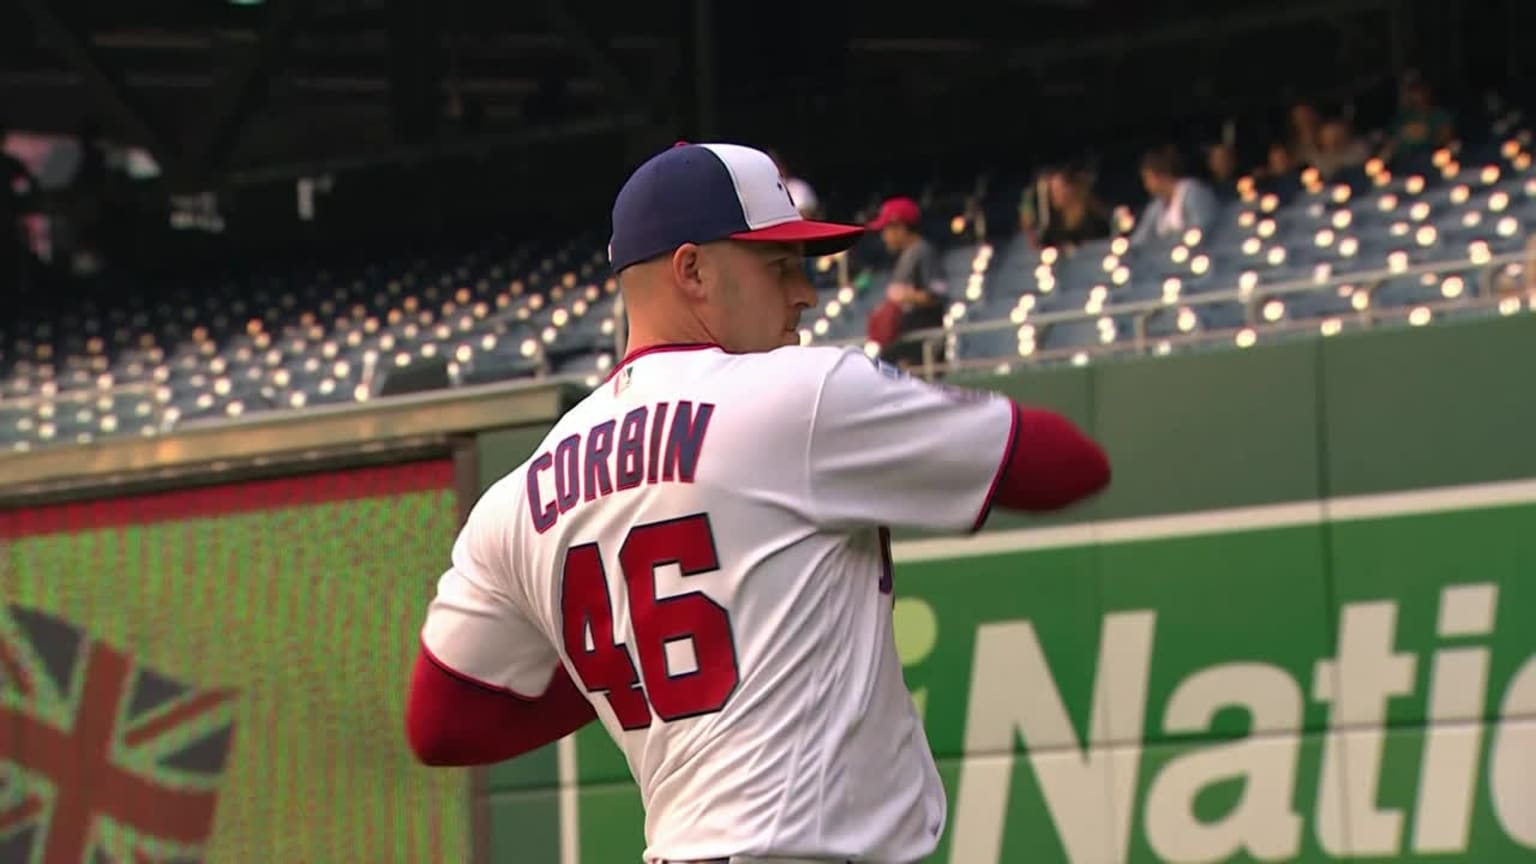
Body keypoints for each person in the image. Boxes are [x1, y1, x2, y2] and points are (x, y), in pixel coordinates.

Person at [405, 142, 1112, 864]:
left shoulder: (521, 492)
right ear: (693, 270)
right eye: (779, 267)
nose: (804, 292)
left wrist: (630, 662)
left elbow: (444, 723)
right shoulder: (800, 396)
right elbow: (1065, 464)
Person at [864, 195, 946, 371]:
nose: (883, 236)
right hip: (907, 339)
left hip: (923, 340)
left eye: (886, 229)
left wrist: (905, 296)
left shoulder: (923, 252)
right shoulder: (907, 255)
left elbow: (938, 294)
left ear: (901, 227)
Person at [1129, 146, 1219, 246]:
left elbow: (1202, 228)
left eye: (1147, 179)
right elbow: (1141, 237)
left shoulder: (1193, 192)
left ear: (1160, 176)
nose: (1146, 185)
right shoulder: (1156, 206)